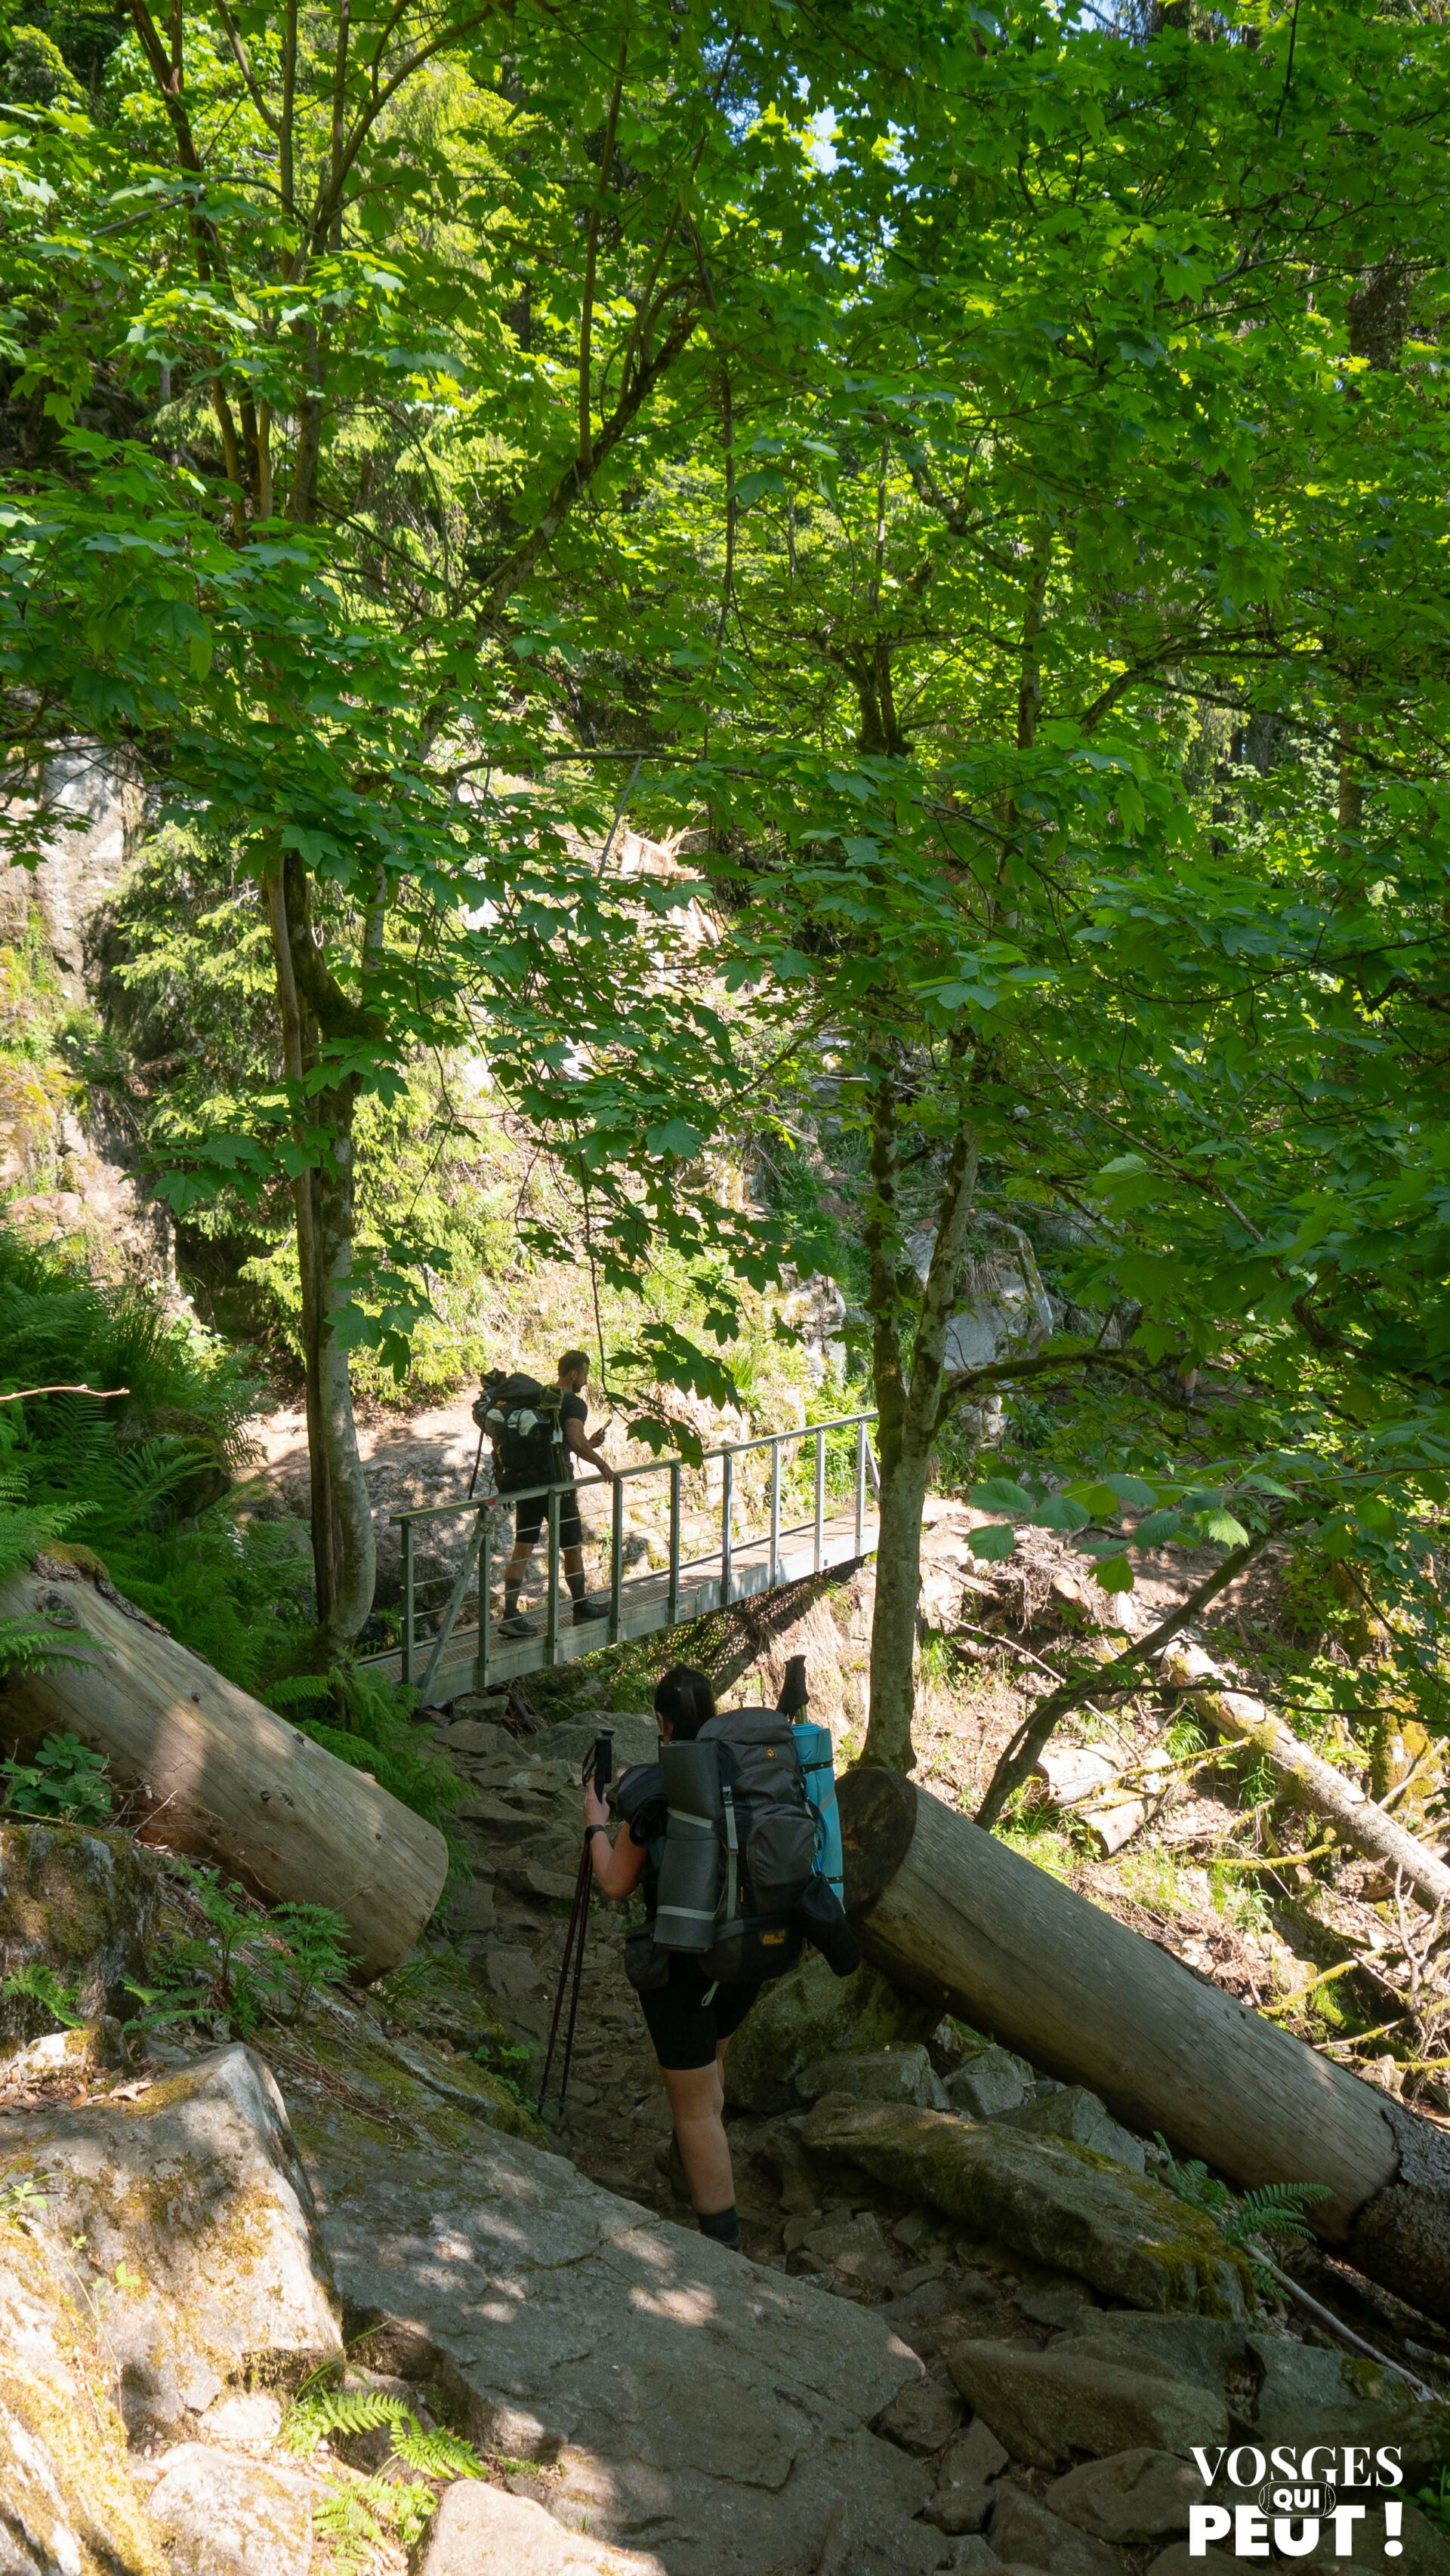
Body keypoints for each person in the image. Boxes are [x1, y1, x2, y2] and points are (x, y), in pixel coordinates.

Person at [582, 1662, 759, 2252]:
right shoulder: (747, 1772)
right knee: (709, 2072)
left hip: (684, 1960)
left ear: (660, 1721)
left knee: (695, 2110)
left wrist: (595, 1827)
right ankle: (695, 2170)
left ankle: (723, 2247)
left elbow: (613, 1884)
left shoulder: (657, 1790)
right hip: (744, 1953)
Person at [498, 1349, 615, 1638]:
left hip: (529, 1483)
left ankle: (510, 1614)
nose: (586, 1382)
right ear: (574, 1374)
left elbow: (560, 1440)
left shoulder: (541, 1398)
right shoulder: (573, 1403)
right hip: (558, 1487)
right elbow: (574, 1439)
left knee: (523, 1546)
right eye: (585, 1375)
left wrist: (591, 1444)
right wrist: (600, 1463)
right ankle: (580, 1607)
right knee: (571, 1546)